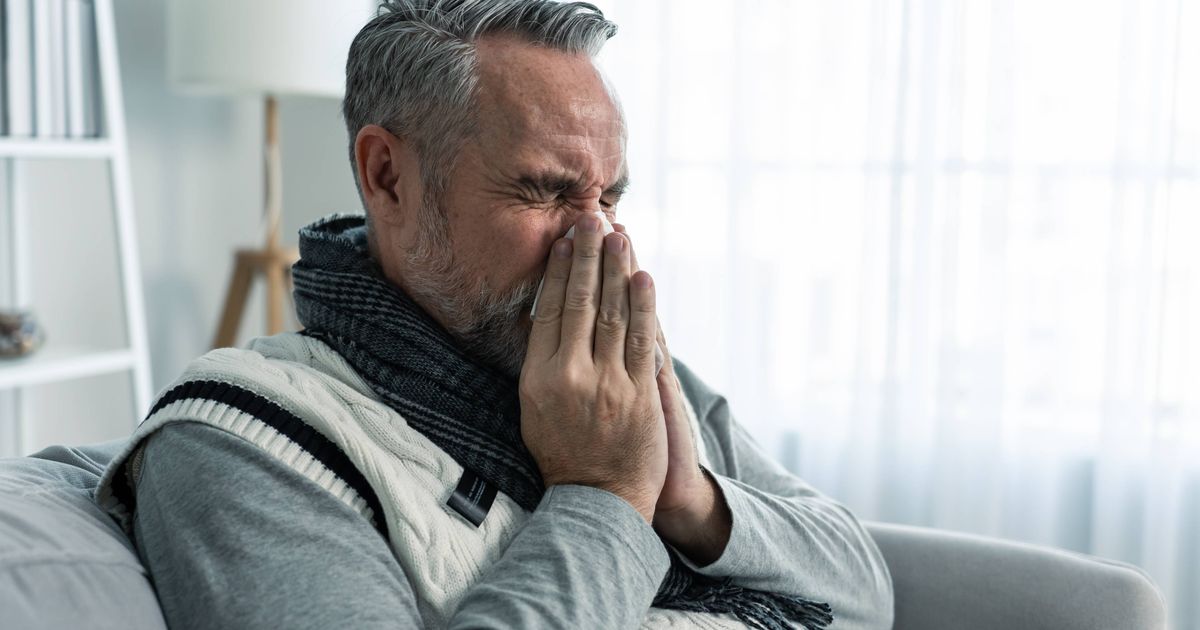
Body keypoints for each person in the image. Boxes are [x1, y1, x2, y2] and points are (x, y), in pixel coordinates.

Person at [96, 2, 894, 628]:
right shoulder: (242, 444)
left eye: (610, 196)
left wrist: (692, 501)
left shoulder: (620, 381)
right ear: (388, 177)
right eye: (544, 191)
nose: (599, 240)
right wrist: (607, 495)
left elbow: (866, 590)